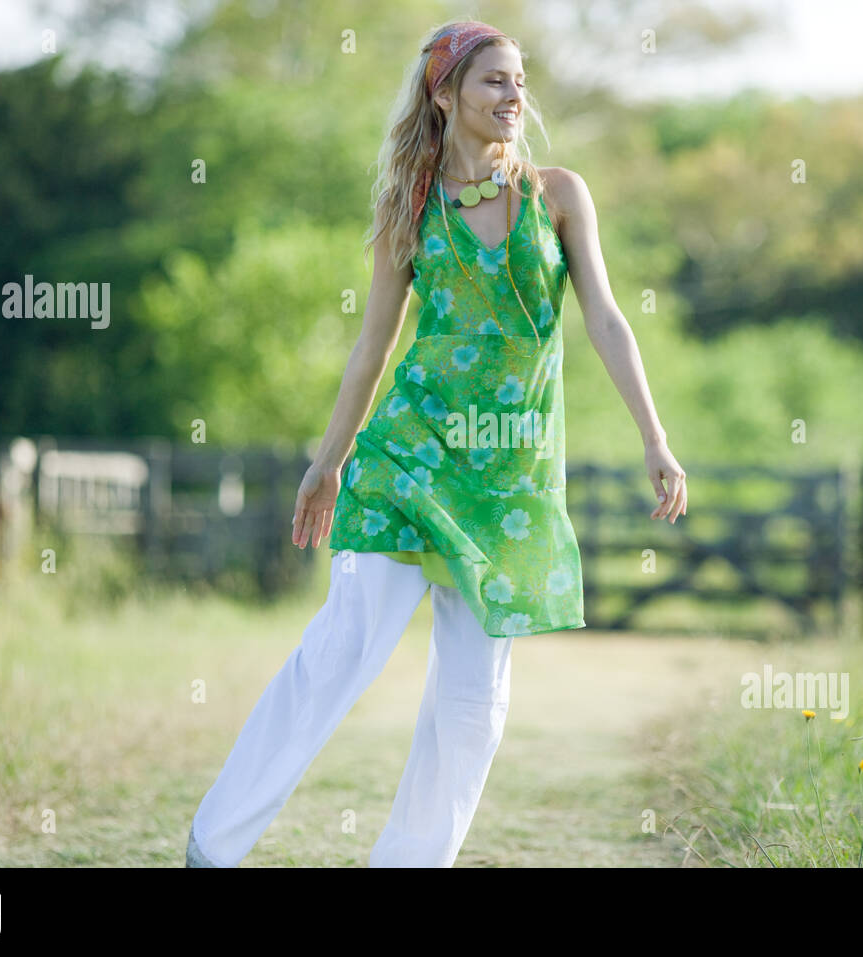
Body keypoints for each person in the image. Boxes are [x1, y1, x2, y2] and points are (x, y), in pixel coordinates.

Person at [187, 17, 686, 869]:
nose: (514, 95)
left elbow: (605, 317)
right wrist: (329, 460)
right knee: (341, 650)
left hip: (507, 481)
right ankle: (213, 845)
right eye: (494, 80)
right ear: (445, 93)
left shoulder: (559, 194)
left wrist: (656, 438)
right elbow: (373, 346)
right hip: (407, 459)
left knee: (468, 707)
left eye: (520, 80)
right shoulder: (409, 208)